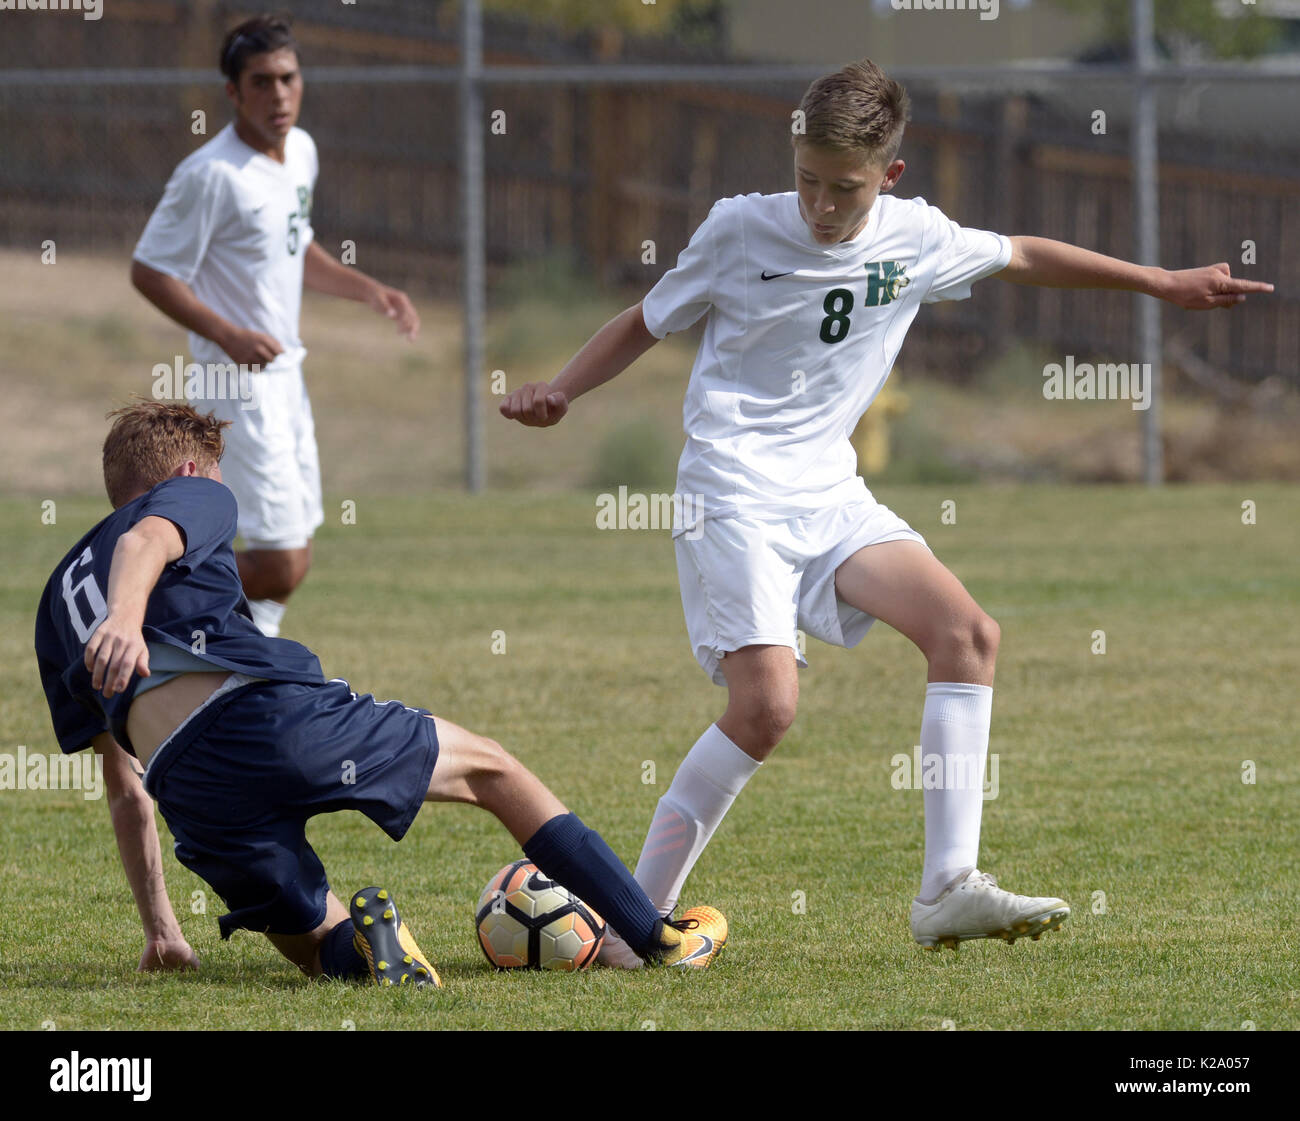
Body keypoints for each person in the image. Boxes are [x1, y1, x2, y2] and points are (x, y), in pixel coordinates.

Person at [499, 59, 1273, 963]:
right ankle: (637, 929)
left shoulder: (917, 238)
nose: (823, 206)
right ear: (793, 156)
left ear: (890, 176)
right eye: (809, 182)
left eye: (846, 189)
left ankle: (947, 887)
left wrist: (1160, 283)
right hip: (734, 486)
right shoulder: (738, 229)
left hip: (829, 494)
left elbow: (1022, 253)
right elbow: (646, 317)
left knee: (968, 633)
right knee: (766, 710)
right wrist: (562, 390)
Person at [34, 402, 727, 984]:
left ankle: (378, 948)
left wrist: (162, 928)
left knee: (314, 947)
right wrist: (127, 617)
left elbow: (125, 788)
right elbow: (147, 541)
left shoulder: (55, 607)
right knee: (492, 768)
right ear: (188, 471)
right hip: (263, 718)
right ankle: (656, 937)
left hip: (191, 791)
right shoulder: (187, 496)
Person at [131, 14, 420, 638]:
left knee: (296, 552)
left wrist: (368, 290)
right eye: (261, 82)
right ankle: (134, 602)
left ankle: (240, 672)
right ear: (233, 93)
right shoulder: (211, 175)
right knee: (279, 561)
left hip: (286, 377)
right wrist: (229, 334)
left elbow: (294, 247)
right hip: (234, 387)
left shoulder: (302, 152)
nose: (279, 94)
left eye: (288, 78)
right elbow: (151, 271)